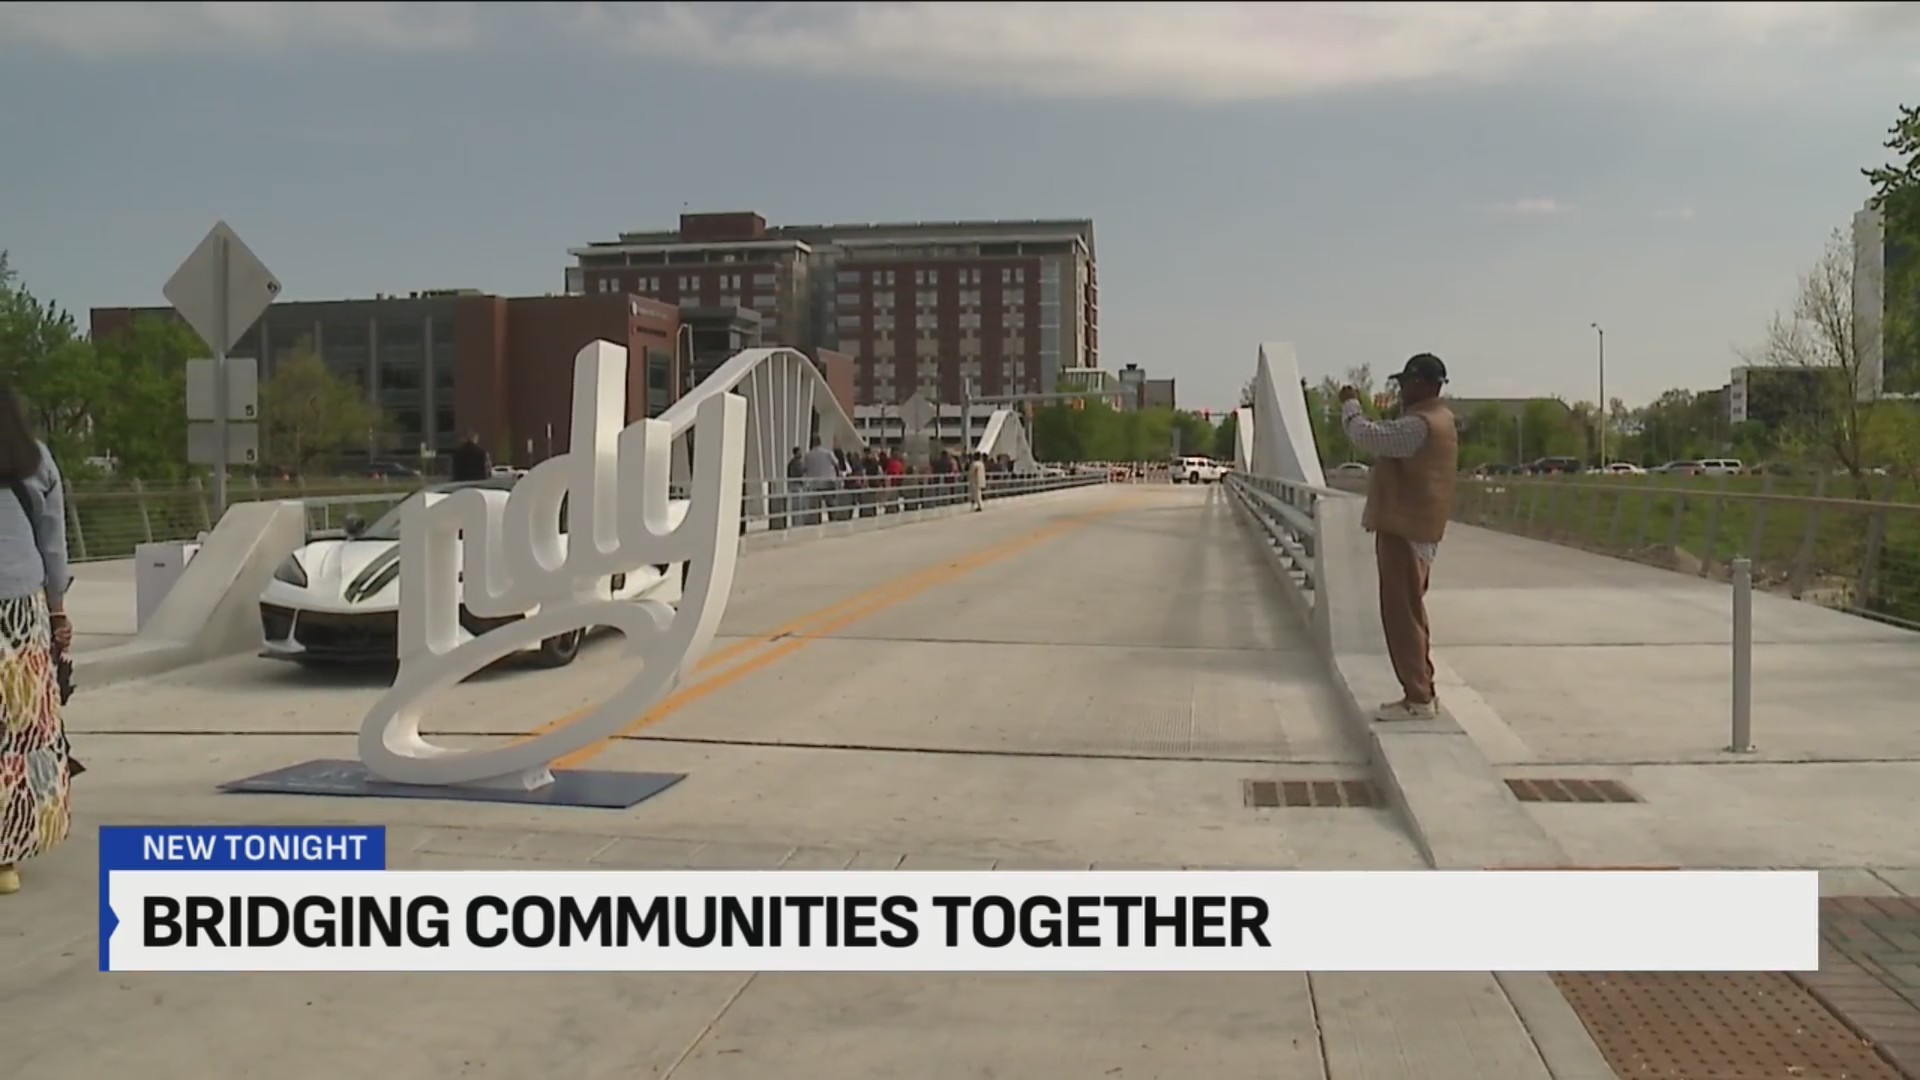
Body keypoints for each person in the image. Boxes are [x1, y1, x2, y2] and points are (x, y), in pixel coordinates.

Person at [1339, 353, 1458, 722]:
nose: (1400, 389)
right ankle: (1423, 689)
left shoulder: (1419, 424)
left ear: (1421, 383)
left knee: (1400, 614)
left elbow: (1367, 437)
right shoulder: (1443, 419)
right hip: (1419, 530)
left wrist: (1350, 405)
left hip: (1404, 531)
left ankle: (1418, 698)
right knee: (1412, 612)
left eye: (1404, 382)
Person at [0, 385, 72, 895]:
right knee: (20, 735)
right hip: (21, 609)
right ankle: (7, 858)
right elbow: (53, 543)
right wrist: (58, 611)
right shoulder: (35, 459)